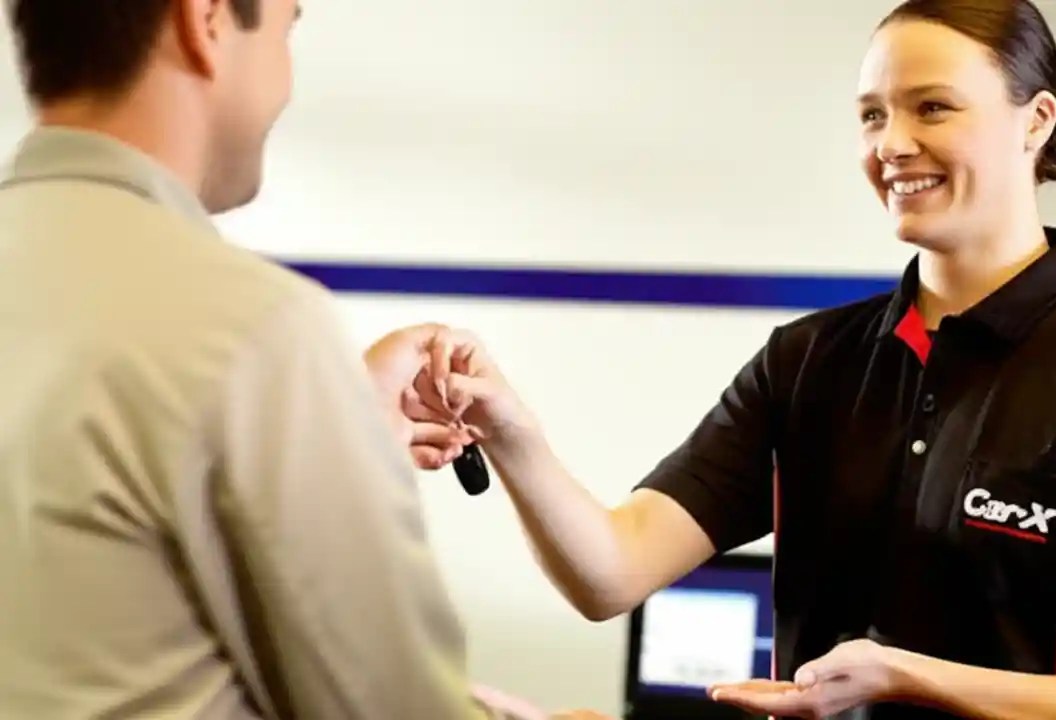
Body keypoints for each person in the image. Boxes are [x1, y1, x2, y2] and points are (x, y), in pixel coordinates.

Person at [411, 1, 1056, 718]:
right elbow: (609, 574)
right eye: (872, 116)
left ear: (1035, 120)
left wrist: (903, 674)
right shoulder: (807, 362)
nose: (892, 144)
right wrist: (509, 430)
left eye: (932, 107)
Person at [0, 1, 608, 718]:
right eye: (287, 28)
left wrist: (329, 426)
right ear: (207, 21)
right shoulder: (249, 327)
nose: (287, 79)